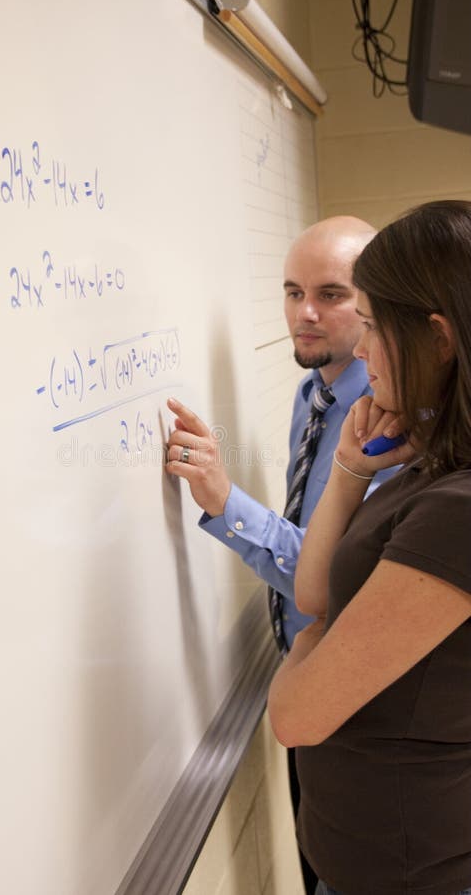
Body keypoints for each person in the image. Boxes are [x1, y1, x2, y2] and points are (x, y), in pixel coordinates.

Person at [165, 215, 395, 895]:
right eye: (293, 292)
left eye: (331, 294)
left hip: (365, 712)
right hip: (306, 695)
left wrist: (225, 501)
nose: (306, 314)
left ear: (377, 305)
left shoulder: (389, 422)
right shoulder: (313, 395)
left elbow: (343, 578)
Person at [267, 200, 471, 895]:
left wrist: (311, 644)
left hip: (416, 876)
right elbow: (314, 594)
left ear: (439, 338)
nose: (359, 347)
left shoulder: (458, 510)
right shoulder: (428, 455)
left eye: (375, 326)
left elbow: (295, 717)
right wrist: (352, 472)